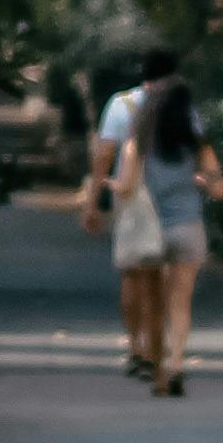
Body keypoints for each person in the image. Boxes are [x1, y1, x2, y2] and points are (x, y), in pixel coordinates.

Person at [84, 46, 184, 383]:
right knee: (162, 277)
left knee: (132, 274)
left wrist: (93, 201)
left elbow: (104, 153)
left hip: (131, 196)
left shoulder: (120, 104)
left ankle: (135, 346)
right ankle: (160, 349)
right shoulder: (182, 105)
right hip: (172, 198)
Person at [119, 69, 221, 396]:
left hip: (150, 231)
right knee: (181, 302)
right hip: (188, 227)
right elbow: (219, 190)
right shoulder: (196, 145)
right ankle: (177, 363)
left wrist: (110, 187)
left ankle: (159, 370)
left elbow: (127, 187)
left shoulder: (139, 142)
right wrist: (202, 183)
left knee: (153, 305)